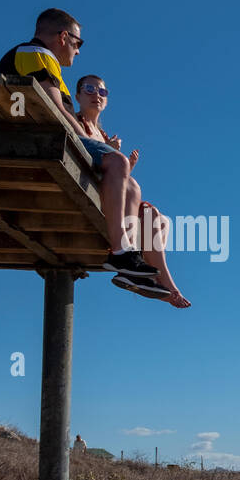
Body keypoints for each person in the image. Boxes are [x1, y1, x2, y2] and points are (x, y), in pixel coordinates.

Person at [0, 10, 162, 288]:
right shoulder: (37, 52)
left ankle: (128, 257)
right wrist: (95, 147)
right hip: (35, 137)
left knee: (130, 184)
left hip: (34, 133)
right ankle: (121, 252)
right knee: (118, 162)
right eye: (78, 43)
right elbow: (57, 112)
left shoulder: (39, 57)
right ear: (63, 37)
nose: (78, 51)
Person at [71, 74, 190, 308]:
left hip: (113, 199)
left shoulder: (104, 136)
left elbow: (115, 176)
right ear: (77, 96)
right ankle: (160, 281)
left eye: (102, 92)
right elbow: (87, 165)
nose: (96, 95)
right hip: (92, 194)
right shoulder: (77, 123)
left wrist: (124, 164)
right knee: (135, 188)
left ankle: (151, 278)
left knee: (158, 219)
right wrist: (115, 157)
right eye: (89, 89)